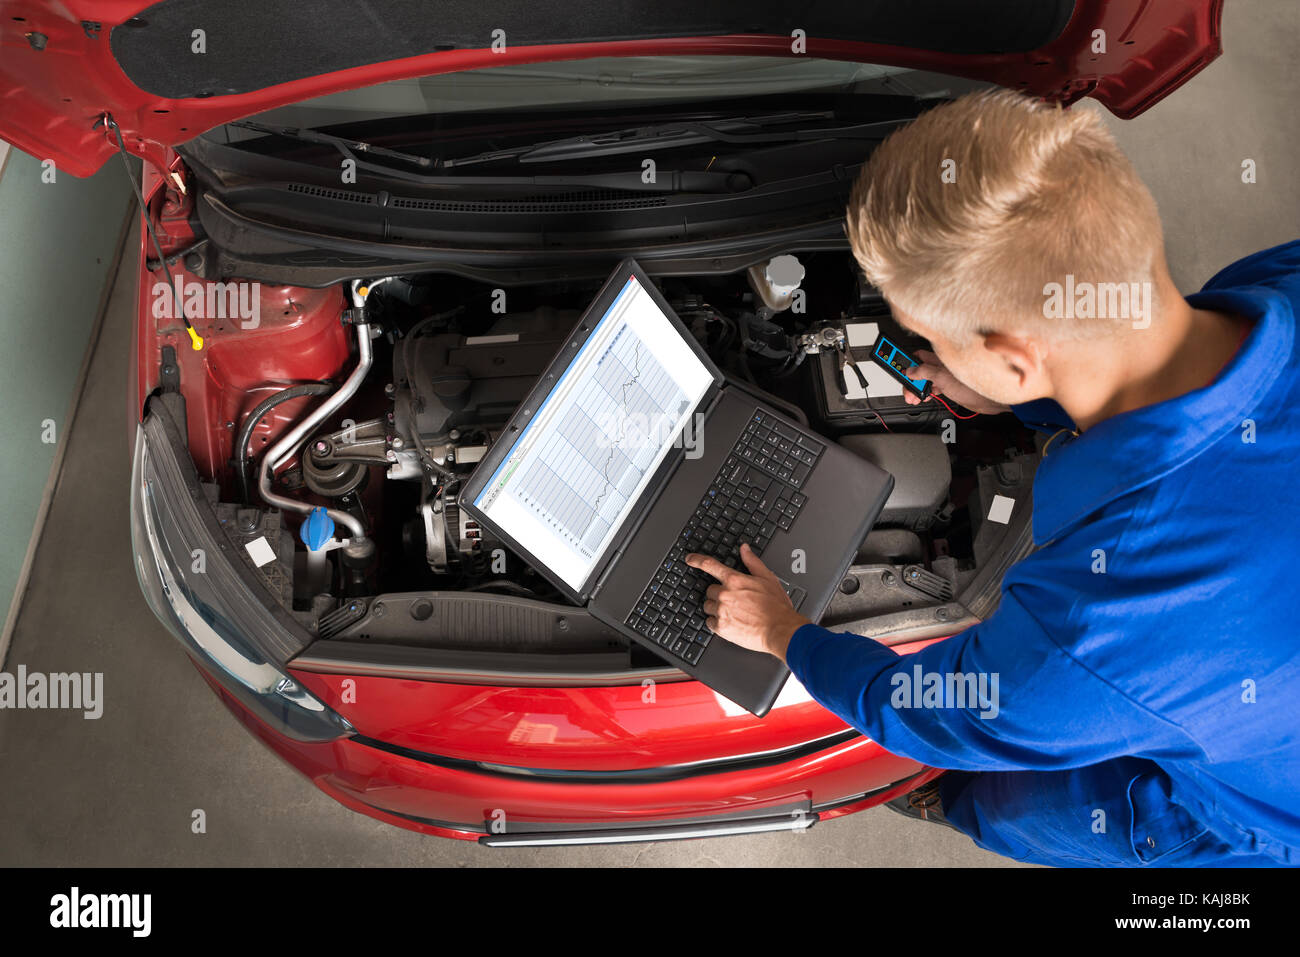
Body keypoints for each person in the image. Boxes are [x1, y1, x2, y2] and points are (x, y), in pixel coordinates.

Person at [685, 90, 1300, 867]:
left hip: (1259, 812)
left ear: (1015, 353)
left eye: (927, 332)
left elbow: (916, 706)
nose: (921, 346)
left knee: (1027, 806)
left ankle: (946, 798)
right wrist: (1030, 392)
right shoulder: (1289, 279)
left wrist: (784, 631)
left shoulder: (1093, 629)